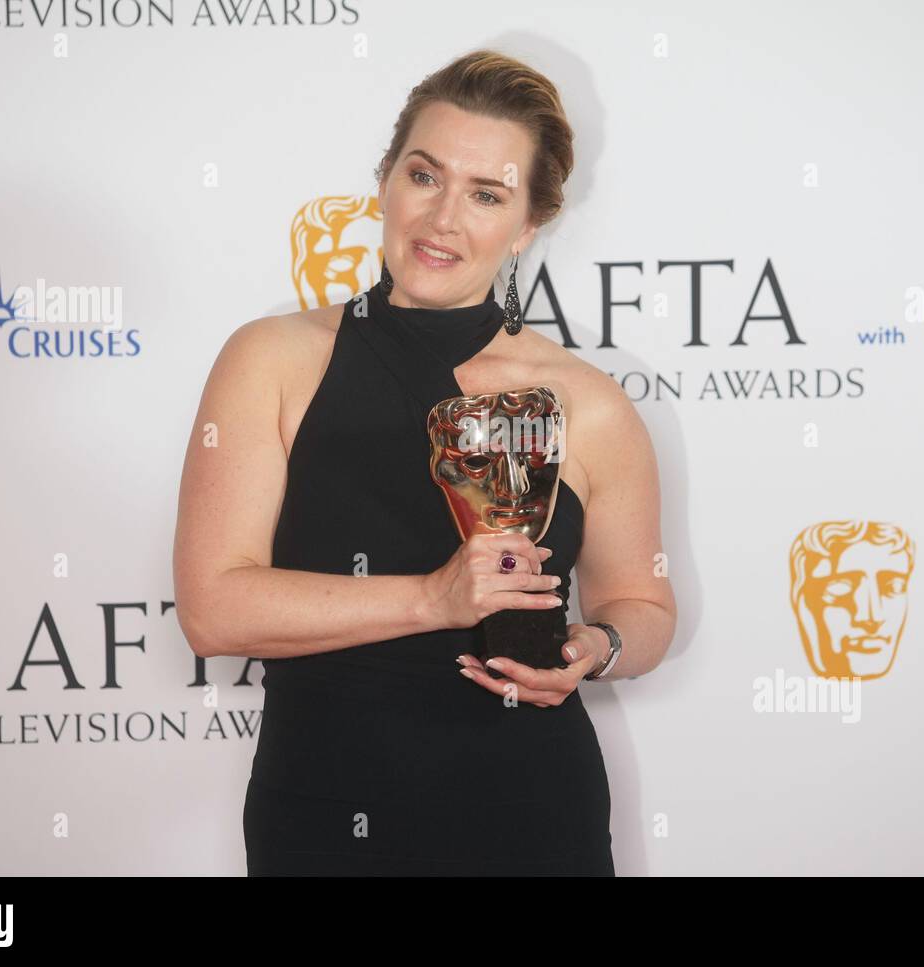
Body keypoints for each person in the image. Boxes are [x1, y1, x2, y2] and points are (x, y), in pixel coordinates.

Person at [172, 49, 676, 875]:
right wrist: (435, 598)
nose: (444, 218)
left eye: (487, 195)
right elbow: (213, 610)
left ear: (525, 227)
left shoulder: (588, 403)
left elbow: (643, 602)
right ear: (384, 182)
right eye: (424, 175)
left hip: (534, 815)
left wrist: (599, 645)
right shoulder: (271, 359)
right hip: (324, 816)